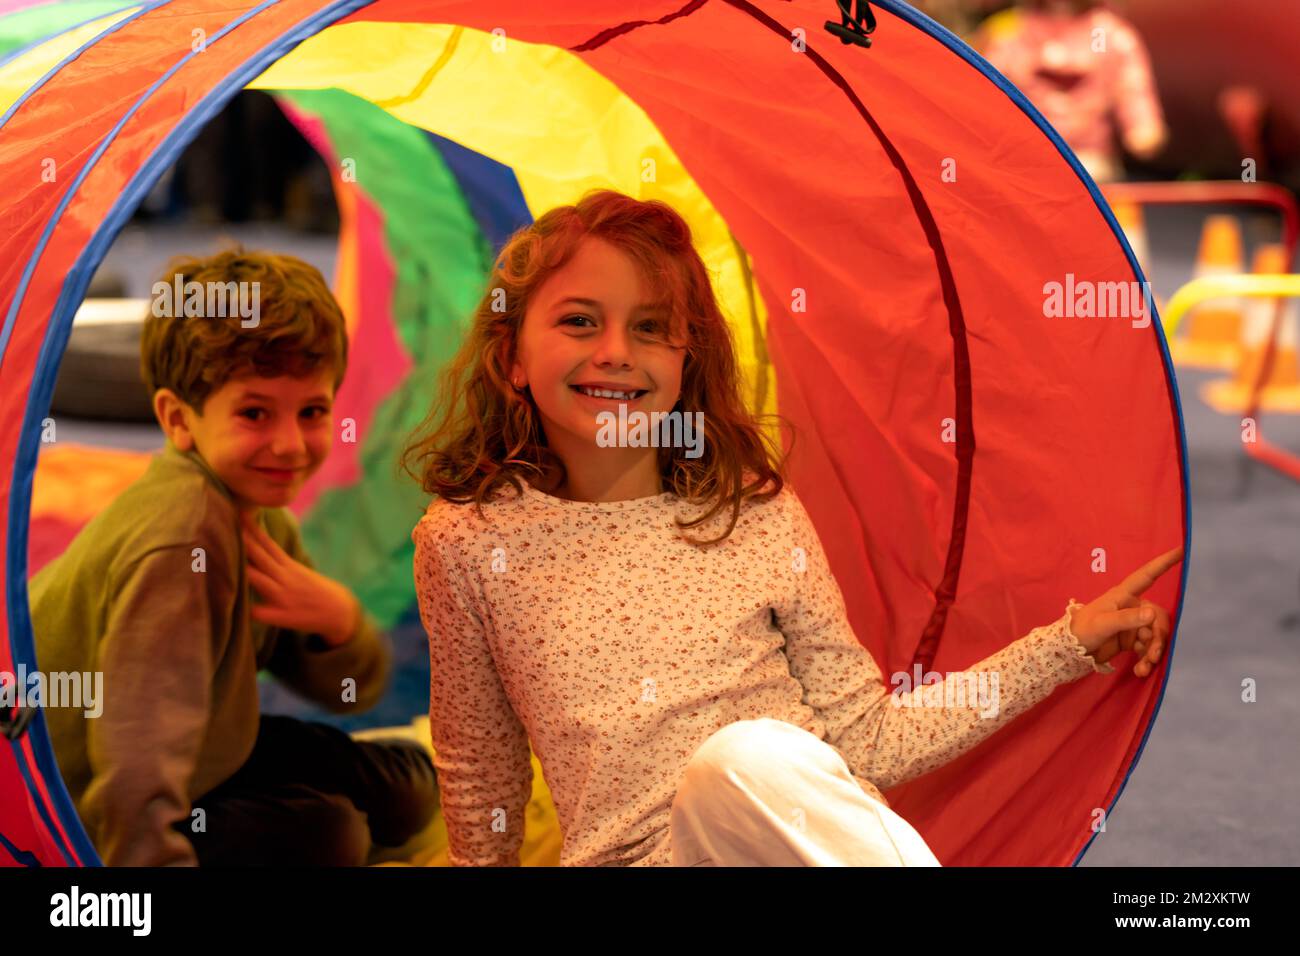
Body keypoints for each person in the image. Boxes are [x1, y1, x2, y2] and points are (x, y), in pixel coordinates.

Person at [401, 189, 1180, 867]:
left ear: (685, 362)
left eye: (649, 328)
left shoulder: (753, 511)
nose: (614, 354)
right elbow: (479, 768)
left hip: (780, 839)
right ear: (511, 358)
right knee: (743, 759)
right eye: (579, 321)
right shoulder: (468, 540)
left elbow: (868, 740)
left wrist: (1067, 642)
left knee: (747, 759)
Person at [29, 248, 438, 866]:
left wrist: (337, 623)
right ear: (178, 420)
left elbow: (349, 695)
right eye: (254, 413)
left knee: (410, 787)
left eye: (312, 412)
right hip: (85, 796)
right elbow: (135, 756)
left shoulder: (256, 507)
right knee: (333, 836)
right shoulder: (182, 542)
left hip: (210, 742)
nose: (289, 444)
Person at [975, 0, 1168, 182]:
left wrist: (1143, 127)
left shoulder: (1110, 33)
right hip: (1021, 168)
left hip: (1091, 169)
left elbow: (1135, 92)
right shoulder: (1008, 30)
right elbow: (981, 96)